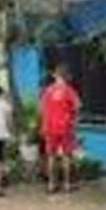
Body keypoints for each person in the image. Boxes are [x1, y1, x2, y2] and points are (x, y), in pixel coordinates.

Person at [41, 63, 82, 194]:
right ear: (67, 76)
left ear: (55, 75)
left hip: (50, 127)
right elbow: (78, 106)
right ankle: (67, 184)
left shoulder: (48, 91)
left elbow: (43, 109)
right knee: (66, 156)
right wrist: (74, 121)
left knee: (51, 156)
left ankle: (51, 185)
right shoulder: (69, 91)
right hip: (66, 127)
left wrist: (44, 125)